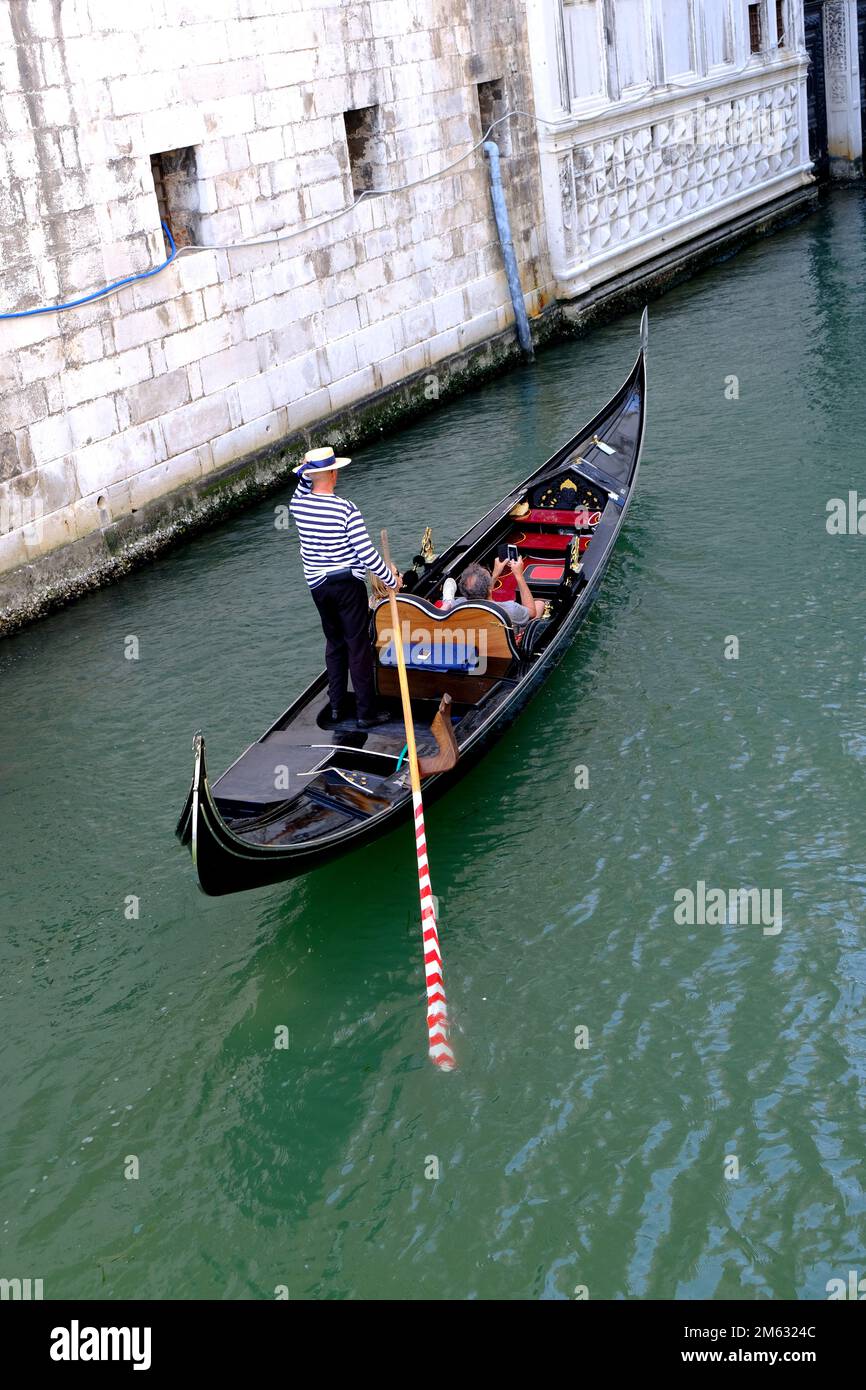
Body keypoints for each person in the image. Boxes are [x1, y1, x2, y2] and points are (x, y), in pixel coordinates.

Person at [289, 446, 401, 729]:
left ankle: (337, 707)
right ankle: (366, 712)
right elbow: (366, 554)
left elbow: (302, 485)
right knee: (357, 646)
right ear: (333, 473)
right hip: (346, 585)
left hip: (318, 587)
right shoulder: (346, 509)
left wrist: (307, 469)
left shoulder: (298, 506)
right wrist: (391, 580)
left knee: (334, 644)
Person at [452, 557, 545, 627]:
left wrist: (495, 575)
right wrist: (519, 576)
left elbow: (482, 591)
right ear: (489, 589)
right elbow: (532, 612)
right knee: (539, 604)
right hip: (505, 643)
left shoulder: (457, 604)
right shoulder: (510, 609)